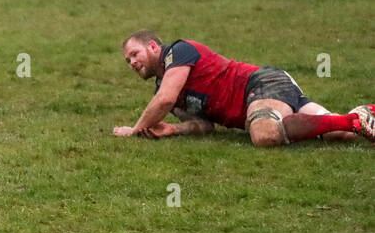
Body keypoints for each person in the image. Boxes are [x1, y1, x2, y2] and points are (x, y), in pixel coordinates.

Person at [113, 30, 375, 146]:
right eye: (128, 61)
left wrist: (135, 129)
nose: (132, 63)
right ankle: (362, 116)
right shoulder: (163, 84)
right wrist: (173, 129)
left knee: (264, 134)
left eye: (134, 54)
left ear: (153, 47)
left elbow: (164, 100)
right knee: (341, 135)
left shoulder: (179, 51)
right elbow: (204, 126)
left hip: (261, 83)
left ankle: (355, 118)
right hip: (265, 96)